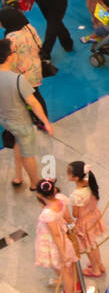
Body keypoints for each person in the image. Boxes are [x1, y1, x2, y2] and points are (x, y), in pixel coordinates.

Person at [0, 37, 55, 189]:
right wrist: (45, 122)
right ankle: (35, 183)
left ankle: (18, 176)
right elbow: (33, 103)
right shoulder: (17, 79)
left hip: (5, 120)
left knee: (18, 142)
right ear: (9, 56)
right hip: (21, 121)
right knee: (28, 154)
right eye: (14, 51)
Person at [33, 178, 79, 293]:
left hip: (55, 244)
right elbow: (68, 218)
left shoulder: (47, 213)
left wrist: (63, 253)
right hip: (65, 238)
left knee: (65, 270)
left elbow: (55, 235)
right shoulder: (61, 199)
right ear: (54, 190)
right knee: (69, 268)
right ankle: (74, 286)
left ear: (39, 195)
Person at [65, 160, 106, 277]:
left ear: (76, 177)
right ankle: (99, 264)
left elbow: (76, 214)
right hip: (94, 216)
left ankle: (95, 269)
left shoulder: (76, 195)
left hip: (84, 222)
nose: (67, 174)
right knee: (94, 244)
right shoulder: (90, 183)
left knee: (89, 247)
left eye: (69, 173)